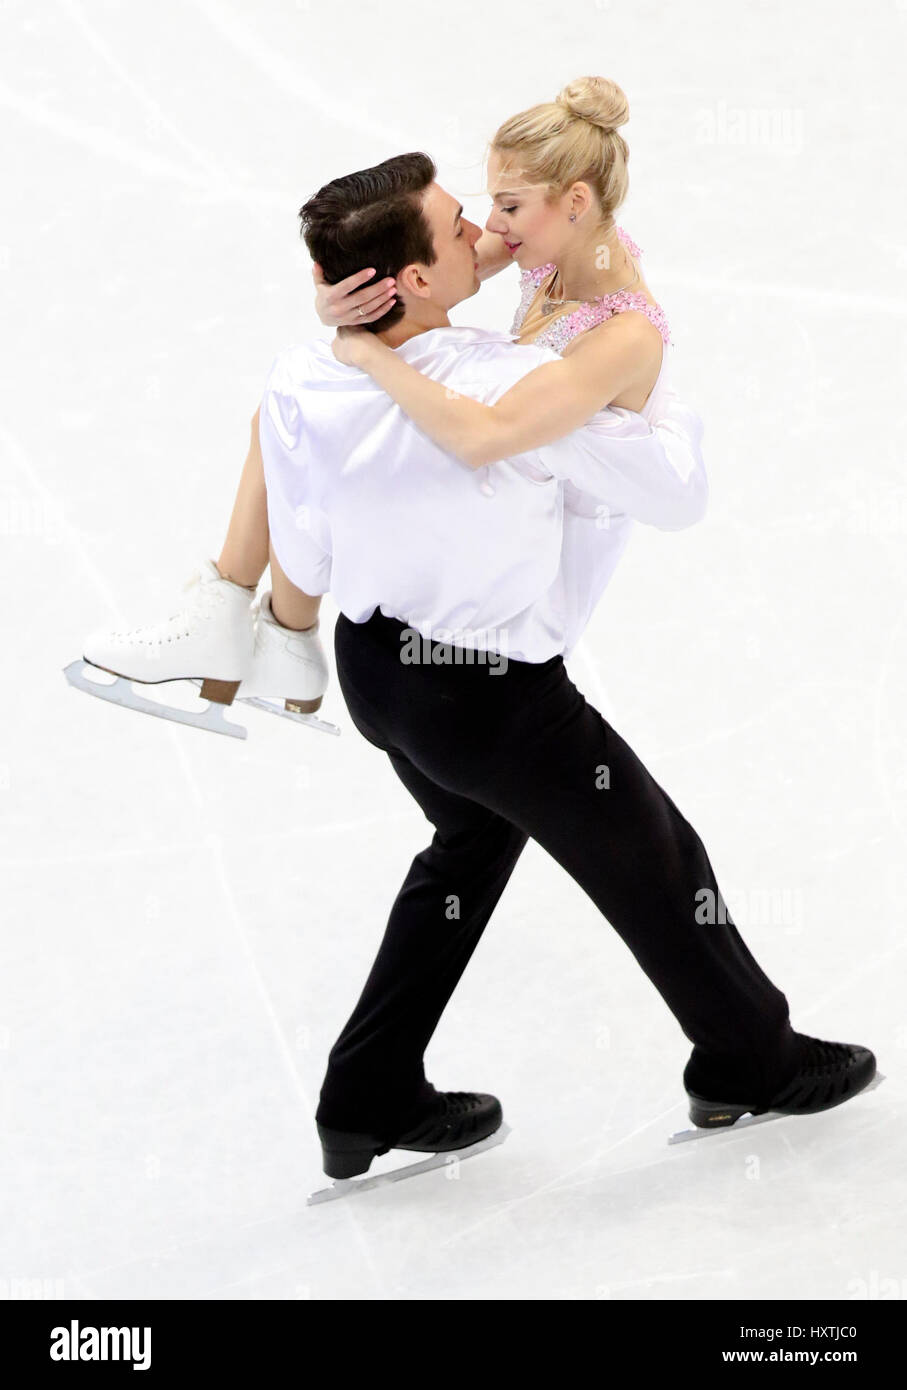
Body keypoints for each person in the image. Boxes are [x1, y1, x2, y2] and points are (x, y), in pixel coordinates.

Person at [80, 84, 876, 1181]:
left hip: (381, 675)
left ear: (573, 207)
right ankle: (750, 1054)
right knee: (656, 857)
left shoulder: (399, 330)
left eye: (502, 210)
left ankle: (366, 1090)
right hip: (486, 697)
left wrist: (355, 324)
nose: (489, 236)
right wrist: (379, 351)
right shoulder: (510, 361)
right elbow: (522, 441)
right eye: (471, 220)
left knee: (466, 849)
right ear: (410, 280)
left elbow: (436, 298)